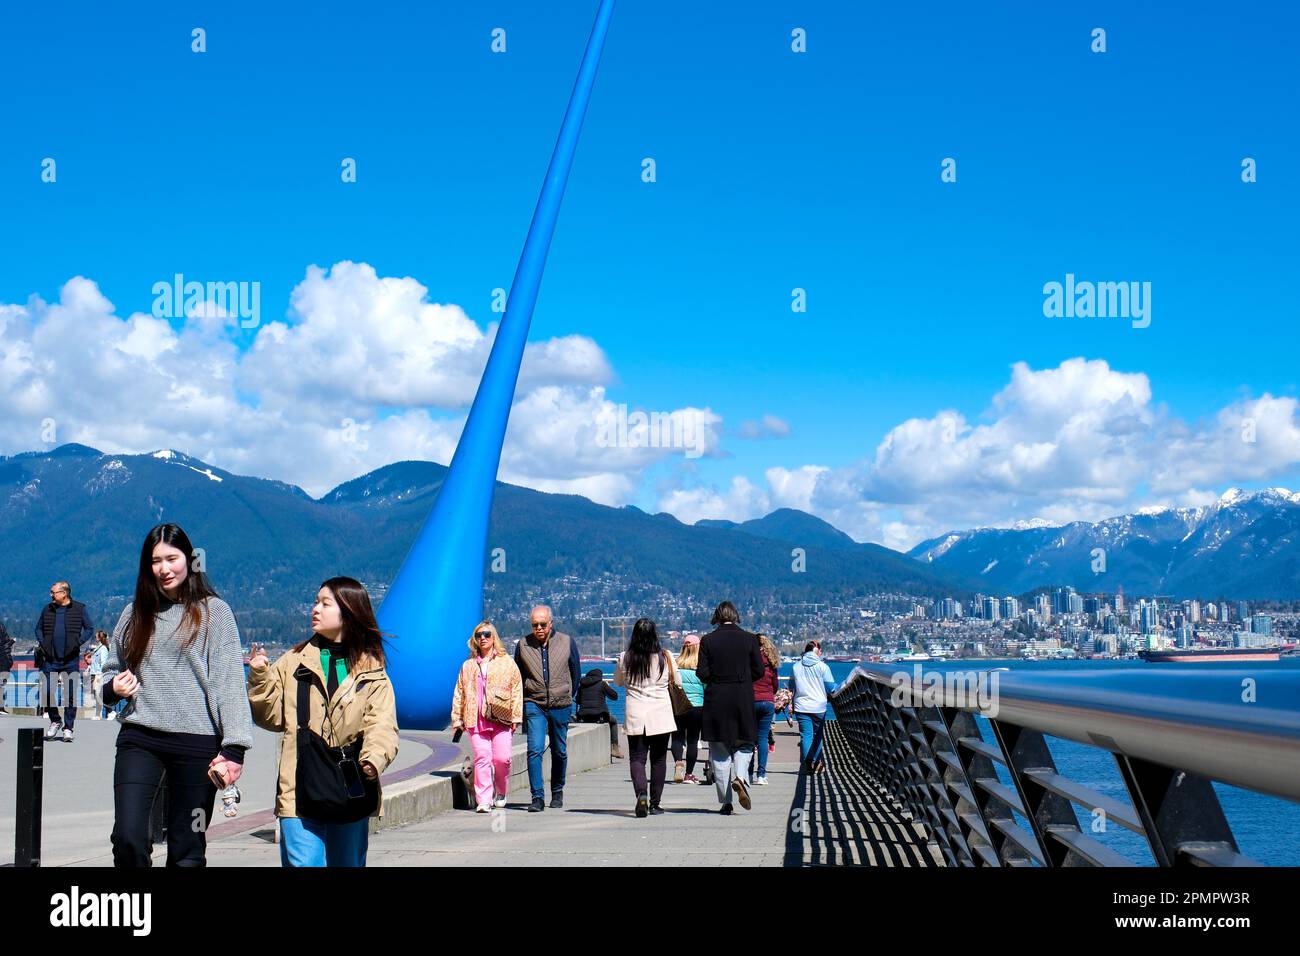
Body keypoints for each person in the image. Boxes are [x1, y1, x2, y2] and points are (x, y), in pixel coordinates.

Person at [100, 524, 254, 867]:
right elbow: (111, 670)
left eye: (172, 558)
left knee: (188, 846)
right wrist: (112, 689)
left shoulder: (215, 613)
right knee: (128, 837)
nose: (164, 568)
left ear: (191, 560)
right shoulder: (133, 613)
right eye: (156, 561)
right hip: (140, 738)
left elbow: (230, 682)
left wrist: (234, 749)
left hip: (198, 745)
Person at [247, 576, 400, 866]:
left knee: (347, 863)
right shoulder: (292, 661)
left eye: (325, 603)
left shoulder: (372, 671)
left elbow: (382, 723)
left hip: (352, 784)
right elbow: (270, 717)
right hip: (299, 788)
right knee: (304, 863)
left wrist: (374, 759)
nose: (315, 609)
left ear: (348, 611)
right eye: (315, 602)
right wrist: (259, 678)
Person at [697, 601, 764, 815]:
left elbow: (702, 673)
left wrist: (717, 680)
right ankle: (741, 778)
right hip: (742, 697)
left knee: (719, 751)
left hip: (717, 698)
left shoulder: (707, 640)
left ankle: (726, 801)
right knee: (745, 743)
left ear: (717, 616)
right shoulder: (749, 639)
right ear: (736, 615)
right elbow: (759, 670)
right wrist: (743, 681)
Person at [513, 605, 580, 812]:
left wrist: (568, 694)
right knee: (534, 750)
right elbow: (518, 676)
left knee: (559, 751)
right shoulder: (523, 645)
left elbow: (576, 673)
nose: (539, 628)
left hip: (561, 704)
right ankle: (537, 797)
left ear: (551, 623)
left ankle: (557, 791)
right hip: (534, 703)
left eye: (543, 624)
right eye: (535, 625)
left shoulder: (567, 642)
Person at [451, 622, 523, 812]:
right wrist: (457, 719)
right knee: (482, 757)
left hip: (501, 717)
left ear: (494, 638)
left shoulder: (506, 662)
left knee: (502, 758)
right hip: (475, 718)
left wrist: (516, 716)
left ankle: (501, 790)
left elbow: (516, 688)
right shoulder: (467, 666)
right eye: (479, 635)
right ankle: (483, 799)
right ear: (474, 640)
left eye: (487, 634)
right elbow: (460, 693)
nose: (483, 638)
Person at [614, 618, 682, 817]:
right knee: (659, 760)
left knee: (637, 758)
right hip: (660, 714)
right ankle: (655, 803)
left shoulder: (625, 657)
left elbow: (618, 681)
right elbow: (677, 681)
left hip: (636, 713)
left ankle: (641, 794)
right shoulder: (665, 656)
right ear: (654, 635)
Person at [34, 580, 95, 741]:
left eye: (53, 592)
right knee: (47, 692)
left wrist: (77, 642)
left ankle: (69, 728)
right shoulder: (47, 609)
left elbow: (89, 628)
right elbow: (38, 628)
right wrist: (44, 642)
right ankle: (55, 721)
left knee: (70, 695)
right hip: (50, 659)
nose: (51, 595)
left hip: (70, 660)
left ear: (64, 593)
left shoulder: (79, 608)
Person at [790, 640, 837, 773]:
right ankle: (817, 762)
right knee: (817, 736)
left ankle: (807, 763)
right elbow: (831, 688)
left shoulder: (796, 667)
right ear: (817, 651)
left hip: (801, 706)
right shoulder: (823, 667)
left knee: (806, 736)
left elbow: (792, 686)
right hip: (818, 706)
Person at [670, 634, 705, 783]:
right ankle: (688, 774)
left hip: (679, 705)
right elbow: (707, 687)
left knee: (677, 738)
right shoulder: (701, 666)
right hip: (697, 707)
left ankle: (678, 762)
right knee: (692, 740)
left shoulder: (676, 664)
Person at [750, 633, 781, 785]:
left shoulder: (749, 660)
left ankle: (747, 773)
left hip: (751, 701)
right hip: (767, 701)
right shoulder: (772, 662)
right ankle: (761, 775)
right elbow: (775, 685)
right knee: (762, 738)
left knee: (749, 738)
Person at [575, 667, 622, 759]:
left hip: (583, 716)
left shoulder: (582, 685)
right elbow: (615, 696)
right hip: (599, 717)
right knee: (614, 721)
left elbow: (578, 700)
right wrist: (607, 687)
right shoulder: (602, 684)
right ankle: (614, 747)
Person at [87, 630, 112, 720]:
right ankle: (101, 713)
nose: (95, 637)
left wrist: (100, 674)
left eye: (96, 636)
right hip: (94, 673)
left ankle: (109, 711)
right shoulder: (98, 648)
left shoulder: (103, 649)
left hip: (98, 674)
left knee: (98, 694)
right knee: (96, 694)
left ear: (100, 637)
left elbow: (103, 662)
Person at [0, 619, 14, 715]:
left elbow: (6, 643)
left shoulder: (1, 626)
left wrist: (8, 658)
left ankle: (1, 707)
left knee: (1, 684)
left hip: (3, 658)